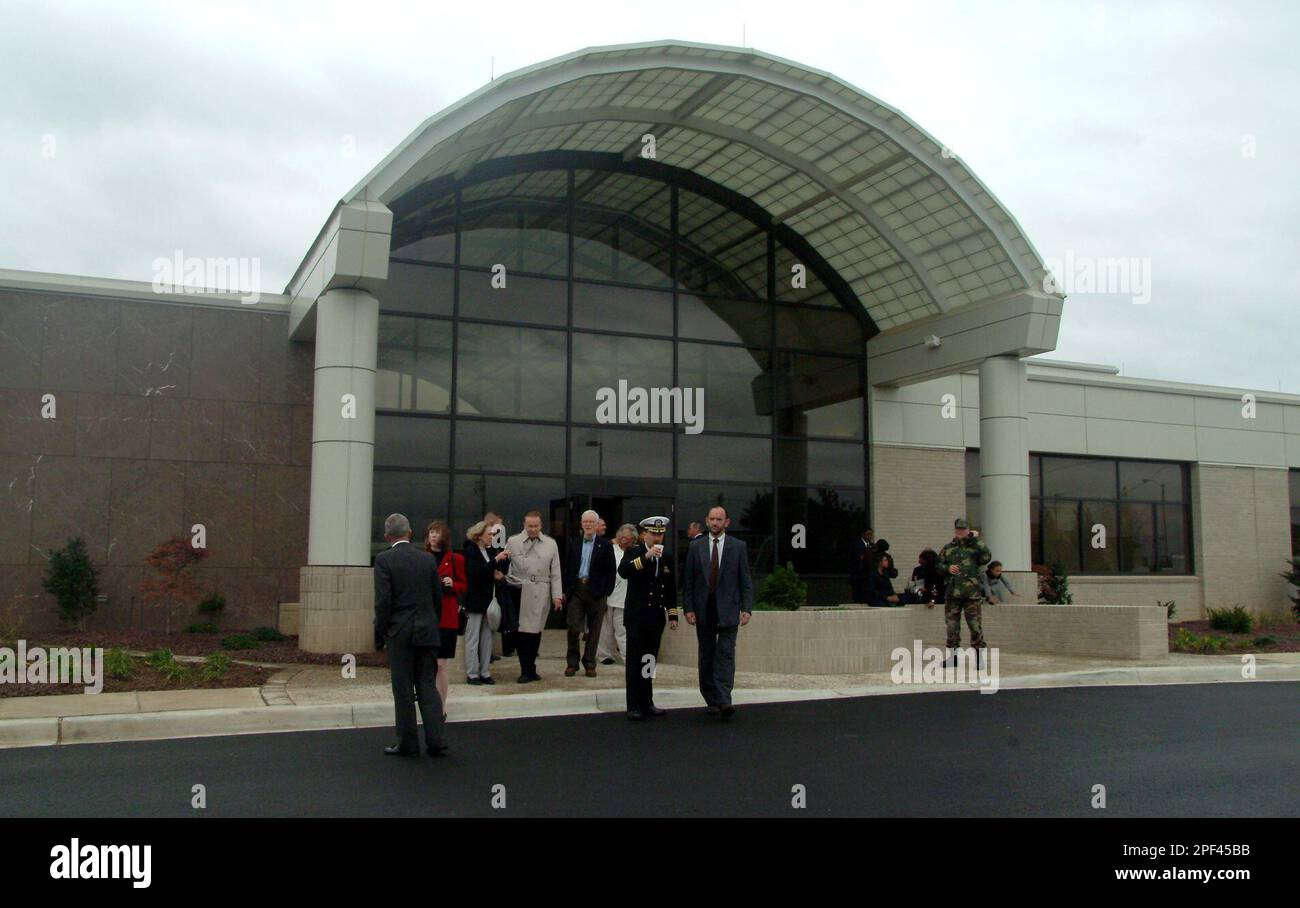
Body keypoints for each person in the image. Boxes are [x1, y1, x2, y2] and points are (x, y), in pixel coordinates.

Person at [372, 513, 446, 758]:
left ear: (387, 536)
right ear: (410, 533)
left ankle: (408, 742)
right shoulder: (427, 560)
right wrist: (432, 622)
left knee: (403, 688)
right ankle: (436, 740)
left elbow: (383, 602)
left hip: (400, 631)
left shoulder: (384, 560)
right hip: (427, 630)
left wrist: (381, 632)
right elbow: (437, 598)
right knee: (427, 684)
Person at [682, 505, 753, 719]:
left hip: (728, 609)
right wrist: (688, 608)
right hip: (704, 610)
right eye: (712, 519)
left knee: (725, 654)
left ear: (727, 522)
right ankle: (711, 698)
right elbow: (688, 581)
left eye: (719, 519)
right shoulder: (696, 547)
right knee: (707, 655)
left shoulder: (738, 547)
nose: (715, 523)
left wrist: (746, 608)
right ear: (707, 521)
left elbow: (745, 580)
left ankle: (724, 699)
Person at [617, 516, 679, 721]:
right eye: (654, 534)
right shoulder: (635, 551)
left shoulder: (667, 556)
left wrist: (672, 613)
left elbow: (670, 587)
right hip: (637, 616)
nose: (657, 538)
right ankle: (633, 704)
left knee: (649, 660)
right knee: (635, 660)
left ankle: (647, 701)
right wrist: (646, 557)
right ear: (645, 534)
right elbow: (623, 572)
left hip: (655, 617)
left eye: (660, 534)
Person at [504, 510, 563, 683]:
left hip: (541, 591)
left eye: (536, 526)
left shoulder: (551, 544)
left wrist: (557, 596)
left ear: (541, 525)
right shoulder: (513, 542)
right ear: (524, 525)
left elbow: (556, 572)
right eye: (530, 526)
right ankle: (525, 669)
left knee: (536, 632)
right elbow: (505, 564)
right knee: (522, 633)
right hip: (519, 591)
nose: (533, 529)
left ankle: (531, 667)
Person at [561, 509, 616, 677]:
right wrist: (565, 590)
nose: (588, 525)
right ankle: (572, 663)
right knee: (573, 626)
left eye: (592, 522)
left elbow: (611, 571)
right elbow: (567, 567)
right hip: (576, 589)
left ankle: (590, 663)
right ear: (581, 524)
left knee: (594, 630)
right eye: (585, 522)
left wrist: (606, 592)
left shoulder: (605, 545)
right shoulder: (574, 543)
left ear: (597, 524)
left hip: (596, 592)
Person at [938, 518, 993, 663]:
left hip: (971, 594)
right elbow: (938, 565)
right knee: (952, 627)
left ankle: (979, 657)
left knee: (975, 627)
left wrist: (975, 540)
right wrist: (947, 568)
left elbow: (987, 557)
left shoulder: (975, 548)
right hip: (953, 593)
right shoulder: (948, 548)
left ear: (968, 530)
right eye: (958, 529)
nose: (960, 532)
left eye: (963, 529)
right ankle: (953, 658)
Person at [425, 521, 466, 714]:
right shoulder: (421, 557)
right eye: (431, 532)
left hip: (447, 617)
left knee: (441, 663)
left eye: (437, 532)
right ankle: (427, 703)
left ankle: (441, 707)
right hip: (425, 616)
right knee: (426, 663)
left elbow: (464, 585)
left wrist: (453, 584)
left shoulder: (455, 558)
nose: (434, 536)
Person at [462, 520, 499, 685]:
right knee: (473, 638)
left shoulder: (490, 552)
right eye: (489, 534)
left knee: (487, 638)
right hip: (474, 600)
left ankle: (485, 671)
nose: (491, 537)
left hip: (487, 599)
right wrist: (495, 561)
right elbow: (475, 573)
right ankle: (472, 673)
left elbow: (490, 570)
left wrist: (498, 567)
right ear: (479, 535)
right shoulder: (470, 551)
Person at [597, 523, 637, 665]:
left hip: (625, 597)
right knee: (605, 629)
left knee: (622, 630)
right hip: (607, 594)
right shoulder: (610, 549)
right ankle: (604, 655)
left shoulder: (635, 552)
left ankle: (628, 658)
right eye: (622, 536)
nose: (624, 539)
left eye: (628, 537)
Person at [483, 512, 519, 657]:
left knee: (501, 616)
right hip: (487, 588)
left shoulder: (499, 545)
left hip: (500, 585)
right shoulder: (482, 546)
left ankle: (504, 648)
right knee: (489, 619)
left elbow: (503, 566)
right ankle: (487, 652)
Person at [849, 527, 874, 603]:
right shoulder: (857, 545)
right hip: (858, 574)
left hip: (868, 575)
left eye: (871, 534)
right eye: (868, 534)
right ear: (863, 534)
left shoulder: (872, 545)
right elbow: (859, 557)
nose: (870, 536)